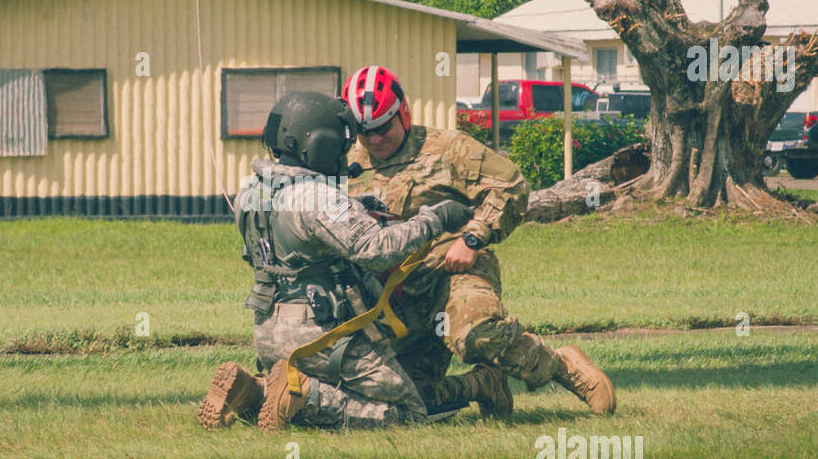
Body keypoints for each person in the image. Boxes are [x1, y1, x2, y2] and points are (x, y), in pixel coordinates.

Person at [196, 90, 504, 431]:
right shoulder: (317, 198)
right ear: (320, 145)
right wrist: (435, 217)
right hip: (324, 335)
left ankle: (257, 389)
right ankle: (303, 396)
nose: (347, 152)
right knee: (408, 410)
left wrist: (357, 205)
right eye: (342, 145)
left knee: (357, 389)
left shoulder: (251, 191)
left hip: (268, 332)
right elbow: (378, 249)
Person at [341, 65, 617, 415]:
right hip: (393, 301)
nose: (375, 139)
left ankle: (565, 367)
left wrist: (473, 238)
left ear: (403, 114)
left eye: (383, 128)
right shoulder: (345, 166)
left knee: (476, 333)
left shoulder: (447, 149)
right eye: (365, 132)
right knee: (396, 399)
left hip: (453, 276)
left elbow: (512, 185)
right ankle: (483, 384)